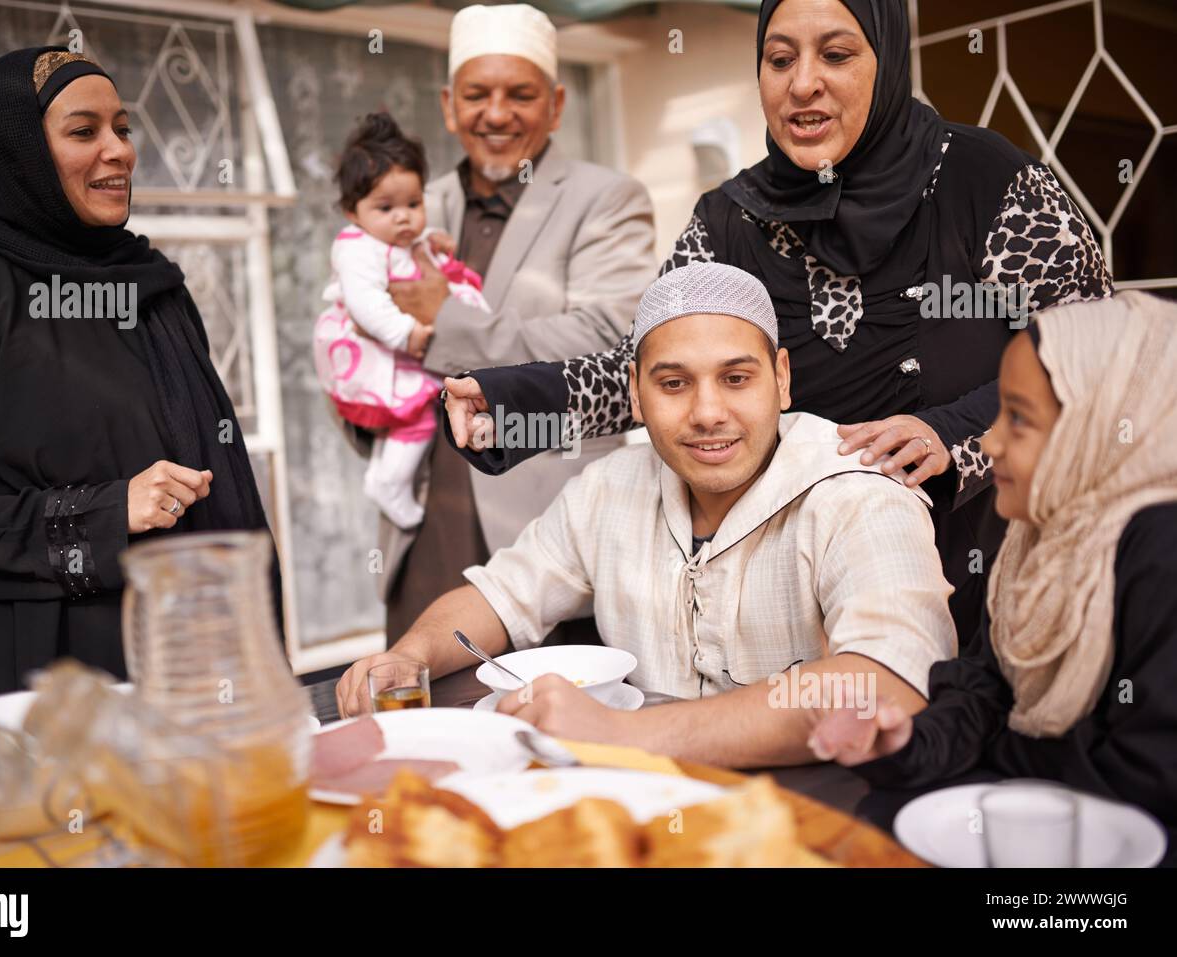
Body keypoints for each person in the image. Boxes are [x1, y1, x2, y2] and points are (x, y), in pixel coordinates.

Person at [440, 0, 1113, 652]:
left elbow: (1094, 356)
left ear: (885, 61)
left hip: (1001, 576)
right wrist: (513, 405)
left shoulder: (984, 181)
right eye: (780, 59)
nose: (803, 83)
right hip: (812, 604)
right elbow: (650, 371)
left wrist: (955, 430)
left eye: (837, 54)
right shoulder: (734, 219)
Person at [337, 264, 957, 769]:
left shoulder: (859, 491)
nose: (708, 413)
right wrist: (411, 655)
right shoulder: (610, 488)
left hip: (807, 827)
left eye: (736, 378)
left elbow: (888, 683)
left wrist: (621, 735)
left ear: (781, 378)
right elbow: (500, 597)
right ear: (635, 393)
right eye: (674, 384)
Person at [0, 48, 277, 696]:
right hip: (57, 681)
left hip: (200, 660)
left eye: (122, 128)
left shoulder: (156, 289)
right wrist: (103, 515)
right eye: (84, 131)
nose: (119, 151)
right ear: (19, 154)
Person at [809, 291, 1177, 857]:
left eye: (1020, 419)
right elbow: (984, 692)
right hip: (1048, 806)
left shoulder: (1160, 547)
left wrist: (993, 750)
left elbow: (1150, 779)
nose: (990, 441)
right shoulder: (1037, 536)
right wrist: (906, 741)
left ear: (1104, 426)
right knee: (876, 817)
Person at [372, 3, 656, 644]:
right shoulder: (413, 206)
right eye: (477, 95)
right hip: (424, 530)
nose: (496, 114)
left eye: (520, 95)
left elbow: (606, 340)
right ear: (450, 106)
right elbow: (361, 329)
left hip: (548, 538)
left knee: (554, 705)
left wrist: (442, 321)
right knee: (420, 696)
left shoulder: (606, 199)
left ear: (555, 106)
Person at [313, 112, 487, 530]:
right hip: (376, 350)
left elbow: (413, 255)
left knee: (404, 418)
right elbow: (366, 303)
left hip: (394, 352)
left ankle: (384, 472)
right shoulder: (358, 249)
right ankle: (389, 483)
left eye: (413, 204)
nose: (404, 218)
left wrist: (433, 240)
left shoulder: (394, 240)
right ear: (352, 211)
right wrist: (404, 332)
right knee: (418, 415)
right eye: (386, 207)